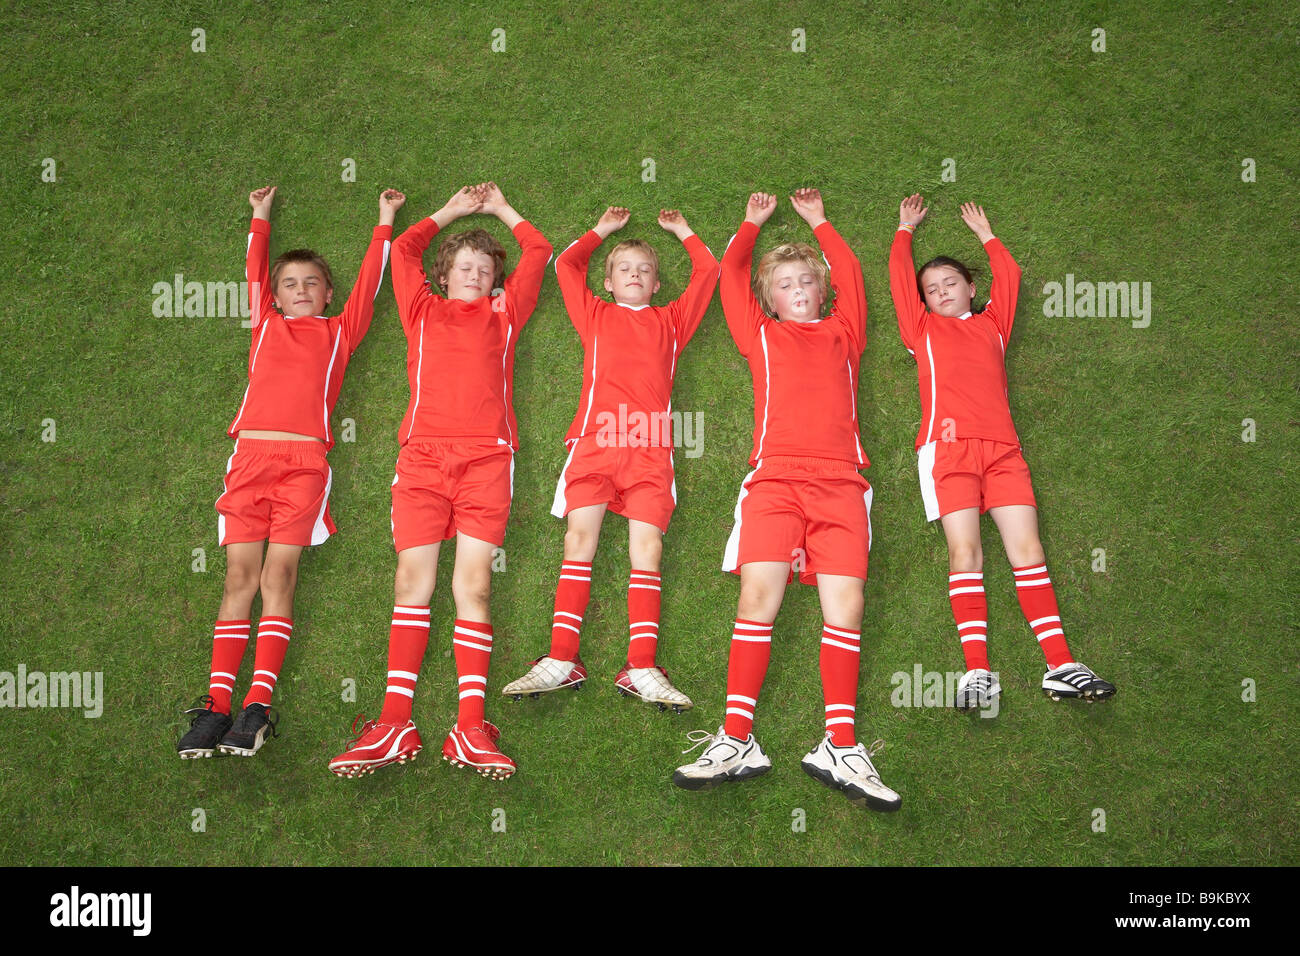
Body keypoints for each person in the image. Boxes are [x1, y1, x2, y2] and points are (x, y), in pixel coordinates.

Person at [672, 189, 900, 812]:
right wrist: (749, 226)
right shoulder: (759, 335)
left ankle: (841, 746)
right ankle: (738, 739)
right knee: (758, 596)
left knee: (846, 606)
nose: (797, 288)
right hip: (773, 480)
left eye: (806, 281)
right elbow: (732, 275)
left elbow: (851, 275)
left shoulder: (844, 331)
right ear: (768, 299)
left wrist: (821, 224)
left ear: (821, 292)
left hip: (843, 482)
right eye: (784, 283)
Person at [329, 183, 552, 781]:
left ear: (495, 280)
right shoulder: (419, 310)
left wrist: (504, 210)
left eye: (484, 268)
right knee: (412, 582)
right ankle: (394, 721)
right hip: (422, 461)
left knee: (473, 588)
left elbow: (539, 251)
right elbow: (402, 251)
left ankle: (471, 726)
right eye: (463, 267)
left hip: (487, 461)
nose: (475, 275)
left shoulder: (507, 312)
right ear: (443, 275)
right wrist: (450, 211)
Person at [178, 185, 404, 758]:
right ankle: (215, 704)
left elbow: (373, 282)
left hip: (304, 465)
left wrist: (385, 221)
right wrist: (259, 216)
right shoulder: (264, 326)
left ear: (330, 293)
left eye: (312, 283)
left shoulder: (339, 333)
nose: (300, 290)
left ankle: (255, 708)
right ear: (275, 296)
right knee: (237, 581)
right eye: (289, 284)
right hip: (249, 461)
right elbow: (253, 272)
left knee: (278, 579)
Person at [889, 193, 1116, 709]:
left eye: (951, 284)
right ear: (922, 301)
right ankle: (977, 672)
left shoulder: (994, 325)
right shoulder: (921, 331)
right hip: (947, 453)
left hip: (1004, 453)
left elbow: (1009, 276)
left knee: (1029, 553)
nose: (941, 292)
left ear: (972, 289)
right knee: (964, 552)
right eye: (932, 289)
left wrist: (987, 235)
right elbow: (899, 282)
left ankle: (1060, 664)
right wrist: (904, 233)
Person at [501, 206, 718, 712]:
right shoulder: (595, 314)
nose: (635, 275)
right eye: (625, 269)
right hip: (594, 442)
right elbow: (564, 267)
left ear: (658, 285)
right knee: (579, 541)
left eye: (644, 270)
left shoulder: (671, 321)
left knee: (648, 551)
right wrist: (602, 230)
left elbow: (708, 272)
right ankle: (561, 658)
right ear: (608, 282)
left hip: (650, 448)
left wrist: (684, 230)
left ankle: (641, 665)